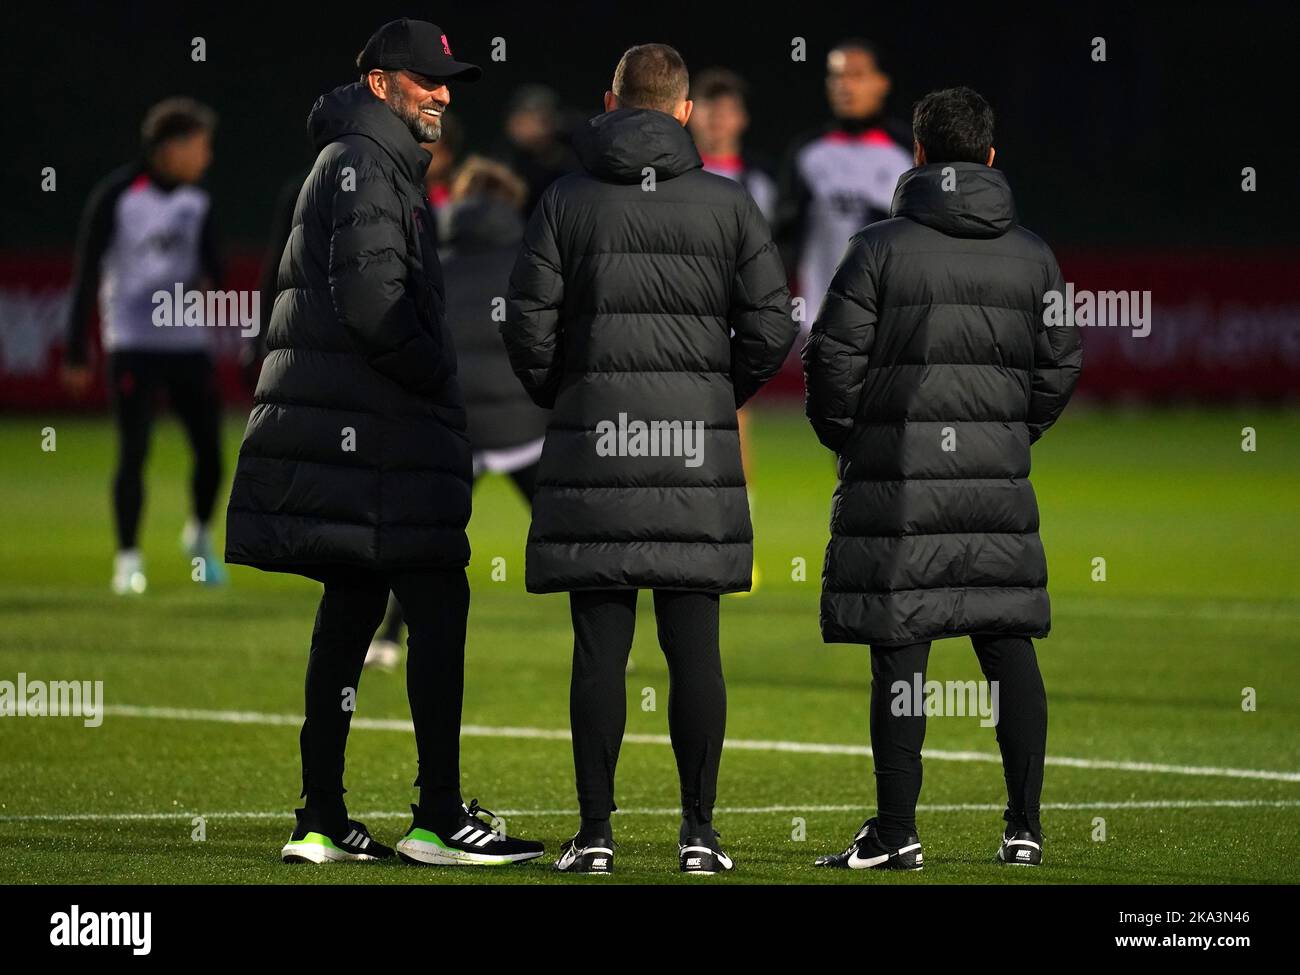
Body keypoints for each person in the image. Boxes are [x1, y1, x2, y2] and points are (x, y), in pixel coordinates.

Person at [224, 18, 543, 867]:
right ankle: (437, 814)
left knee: (353, 607)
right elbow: (373, 305)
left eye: (447, 81)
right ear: (379, 85)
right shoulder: (368, 165)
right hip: (377, 436)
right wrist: (436, 372)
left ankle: (321, 817)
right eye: (426, 79)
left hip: (347, 432)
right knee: (437, 599)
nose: (442, 92)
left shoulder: (359, 159)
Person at [504, 43, 796, 875]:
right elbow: (773, 328)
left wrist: (572, 393)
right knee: (693, 647)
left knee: (599, 650)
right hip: (692, 457)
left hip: (595, 447)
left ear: (609, 101)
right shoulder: (729, 202)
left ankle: (594, 834)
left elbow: (527, 324)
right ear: (683, 111)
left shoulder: (566, 198)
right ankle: (698, 833)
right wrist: (713, 392)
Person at [802, 87, 1083, 871]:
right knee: (1009, 645)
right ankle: (1023, 827)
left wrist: (852, 440)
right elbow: (1061, 362)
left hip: (898, 482)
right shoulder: (1032, 254)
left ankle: (898, 832)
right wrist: (1011, 433)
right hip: (995, 479)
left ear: (917, 155)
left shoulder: (877, 248)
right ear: (990, 157)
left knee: (901, 652)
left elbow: (831, 361)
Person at [364, 155, 548, 671]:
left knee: (427, 538)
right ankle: (604, 644)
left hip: (453, 428)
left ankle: (388, 639)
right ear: (511, 204)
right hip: (521, 431)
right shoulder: (532, 263)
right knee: (568, 532)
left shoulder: (429, 260)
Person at [62, 97, 225, 595]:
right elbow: (86, 272)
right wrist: (76, 349)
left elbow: (214, 269)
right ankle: (128, 559)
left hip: (186, 343)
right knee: (134, 451)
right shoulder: (117, 196)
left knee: (213, 457)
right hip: (132, 343)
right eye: (200, 146)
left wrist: (213, 289)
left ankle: (197, 534)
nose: (207, 157)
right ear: (170, 148)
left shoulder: (198, 203)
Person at [777, 39, 912, 321]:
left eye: (857, 75)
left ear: (882, 83)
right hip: (813, 323)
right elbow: (783, 241)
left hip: (886, 321)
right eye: (837, 75)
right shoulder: (807, 153)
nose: (845, 85)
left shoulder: (907, 153)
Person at [687, 67, 776, 222]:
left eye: (727, 108)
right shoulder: (666, 178)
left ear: (743, 118)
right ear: (688, 113)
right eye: (708, 105)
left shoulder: (760, 184)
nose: (717, 116)